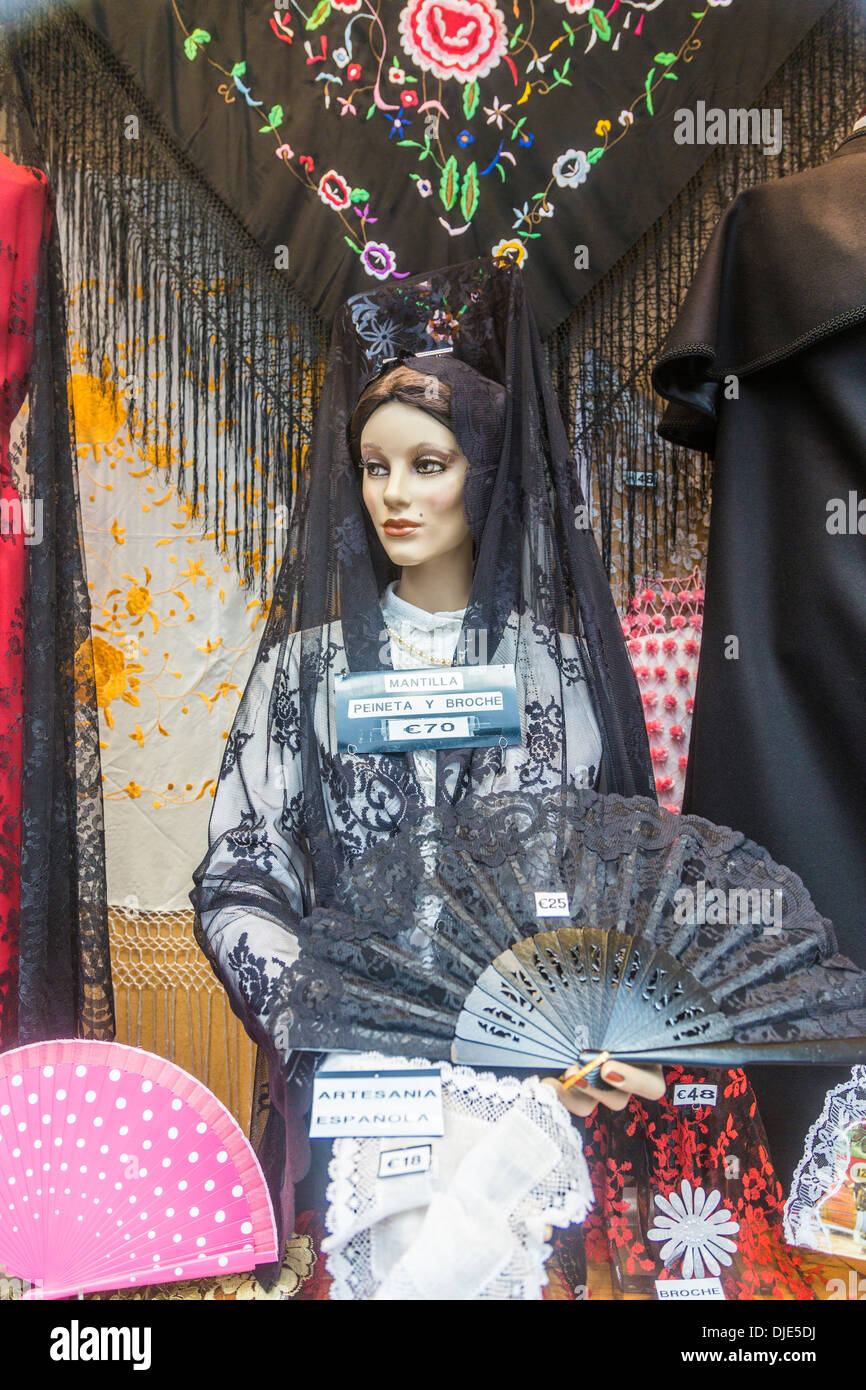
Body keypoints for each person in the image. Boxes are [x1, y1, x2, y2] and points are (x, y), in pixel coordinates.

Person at [188, 257, 668, 1297]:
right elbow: (239, 872)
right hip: (361, 1107)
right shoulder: (303, 671)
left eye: (426, 463)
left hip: (524, 1110)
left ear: (486, 471)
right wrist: (319, 1015)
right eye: (373, 467)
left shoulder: (558, 673)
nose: (394, 495)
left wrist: (599, 1029)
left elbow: (610, 881)